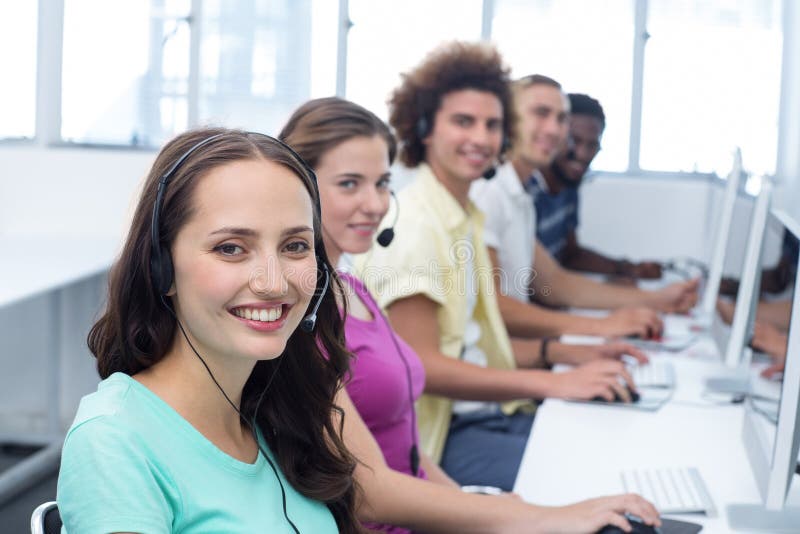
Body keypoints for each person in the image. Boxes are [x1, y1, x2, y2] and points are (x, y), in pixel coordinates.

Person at [282, 95, 661, 533]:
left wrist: (491, 508)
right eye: (349, 184)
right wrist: (526, 516)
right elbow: (370, 491)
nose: (376, 203)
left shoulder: (352, 290)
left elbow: (405, 447)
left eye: (383, 182)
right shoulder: (299, 315)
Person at [355, 41, 645, 493]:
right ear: (426, 127)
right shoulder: (416, 226)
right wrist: (558, 382)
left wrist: (566, 357)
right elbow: (425, 367)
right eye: (463, 122)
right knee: (596, 481)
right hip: (438, 443)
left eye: (492, 125)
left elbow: (474, 345)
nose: (481, 138)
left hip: (484, 416)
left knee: (615, 450)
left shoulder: (463, 216)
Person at [57, 129, 360, 532]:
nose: (273, 283)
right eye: (231, 248)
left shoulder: (278, 413)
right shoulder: (115, 441)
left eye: (295, 246)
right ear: (161, 269)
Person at [470, 75, 698, 342]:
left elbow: (553, 282)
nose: (555, 130)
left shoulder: (517, 195)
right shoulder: (487, 192)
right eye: (541, 113)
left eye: (561, 119)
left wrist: (658, 299)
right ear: (506, 119)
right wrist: (601, 327)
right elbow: (491, 306)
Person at [537, 92, 663, 279]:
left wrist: (628, 269)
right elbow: (541, 281)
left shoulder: (569, 185)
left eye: (592, 145)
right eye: (574, 140)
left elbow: (570, 255)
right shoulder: (528, 190)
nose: (582, 154)